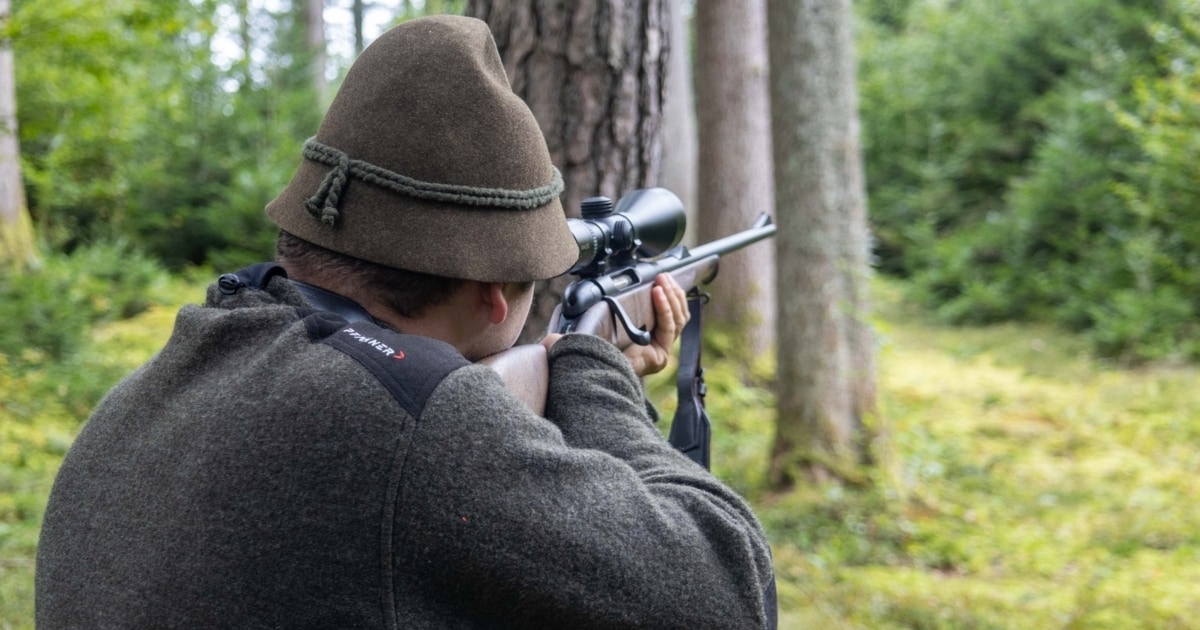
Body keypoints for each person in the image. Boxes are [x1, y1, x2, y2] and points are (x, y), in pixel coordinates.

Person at [35, 14, 776, 629]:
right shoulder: (416, 420)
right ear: (494, 295)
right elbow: (727, 594)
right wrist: (595, 374)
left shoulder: (156, 384)